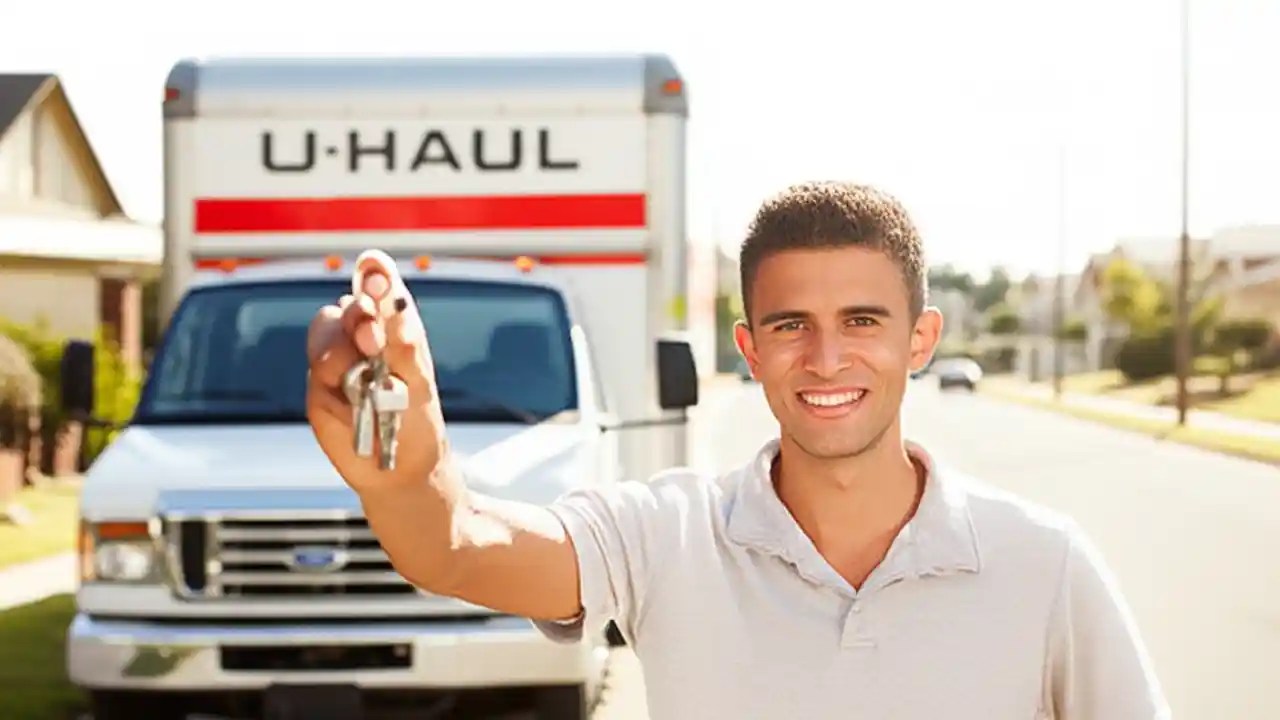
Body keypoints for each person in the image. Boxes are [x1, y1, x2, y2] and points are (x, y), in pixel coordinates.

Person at [306, 181, 1171, 719]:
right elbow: (455, 547)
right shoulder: (665, 534)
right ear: (750, 348)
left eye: (862, 322)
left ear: (921, 338)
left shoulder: (1045, 563)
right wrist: (411, 474)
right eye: (792, 325)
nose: (826, 359)